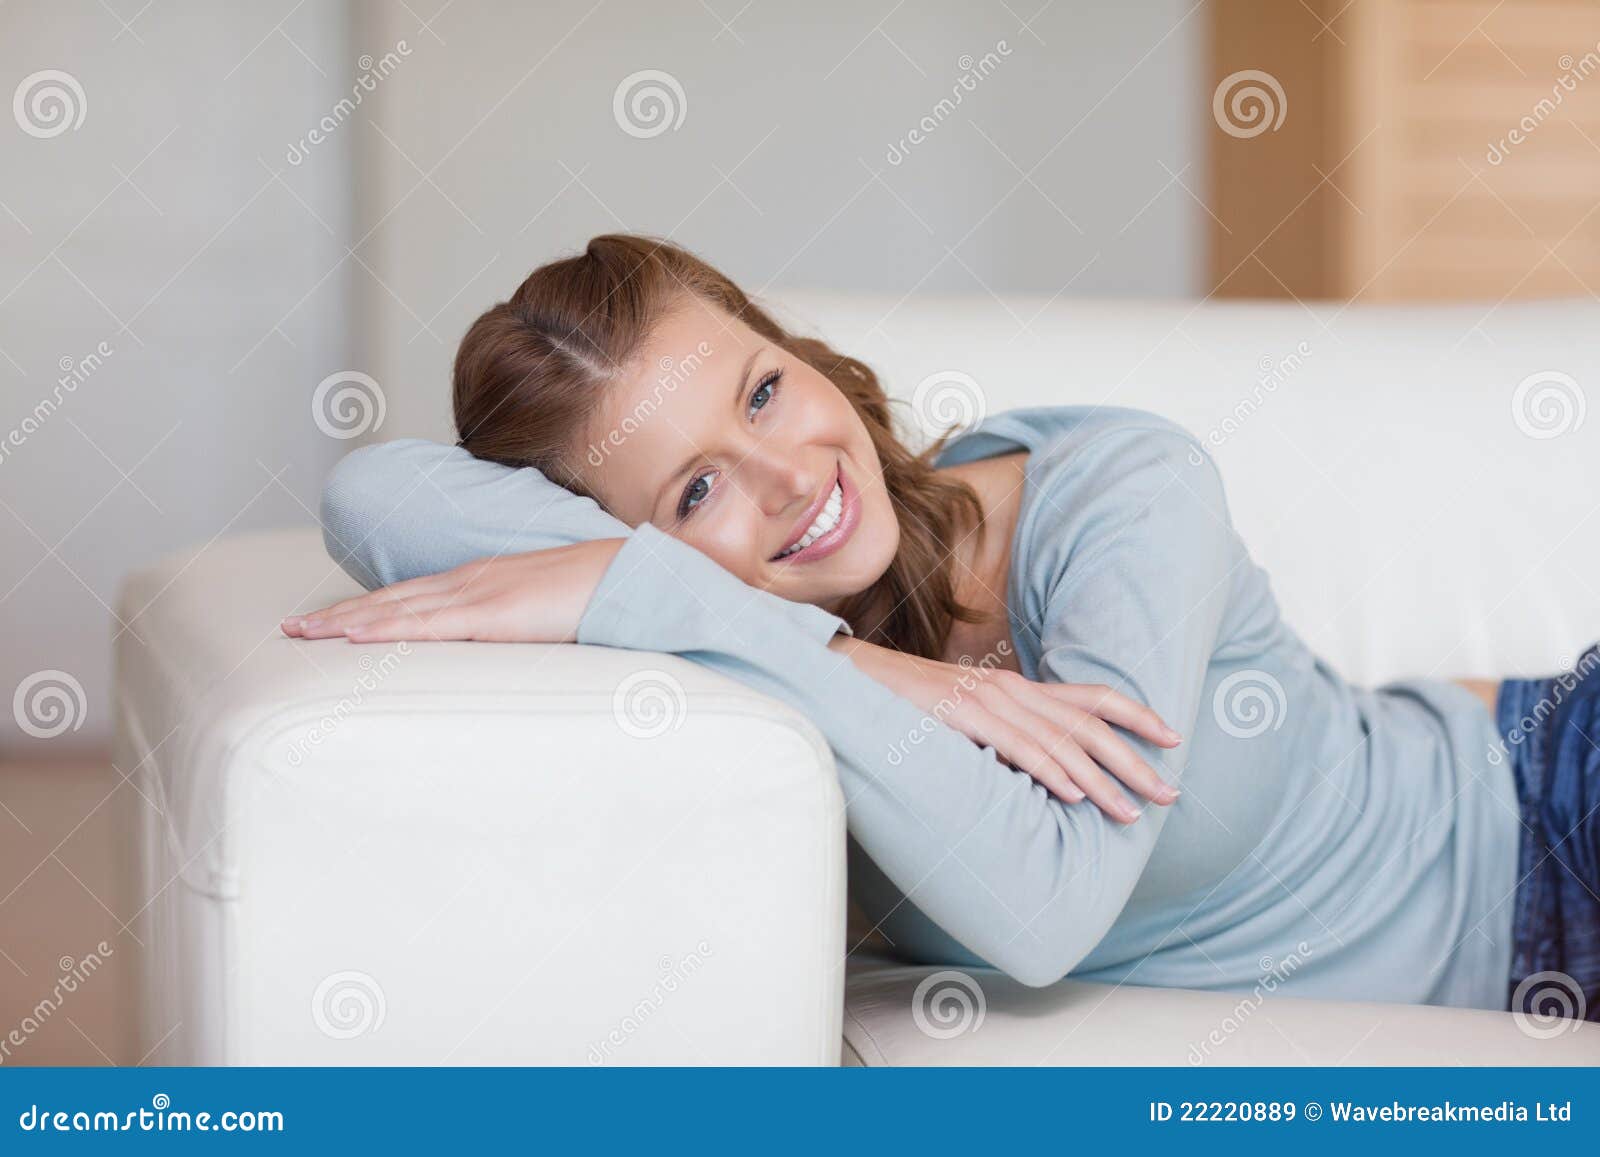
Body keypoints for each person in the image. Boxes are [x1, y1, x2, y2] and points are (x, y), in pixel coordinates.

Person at [282, 234, 1598, 1020]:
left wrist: (692, 590)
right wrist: (797, 640)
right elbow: (370, 490)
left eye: (762, 390)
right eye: (694, 489)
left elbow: (1047, 895)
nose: (789, 476)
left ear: (798, 351)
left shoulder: (1121, 491)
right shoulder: (743, 638)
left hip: (1544, 804)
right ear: (620, 538)